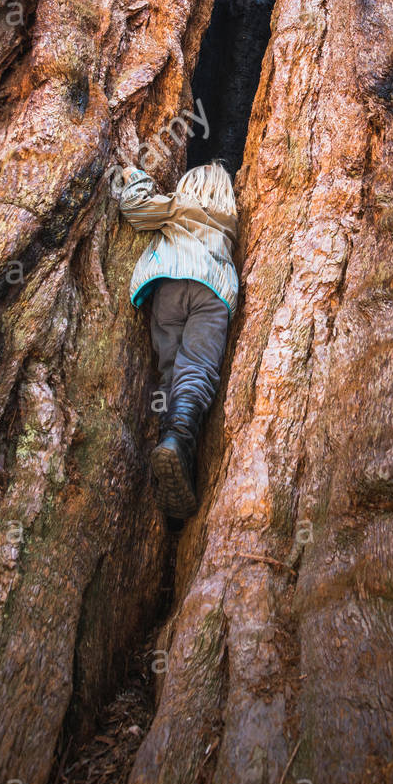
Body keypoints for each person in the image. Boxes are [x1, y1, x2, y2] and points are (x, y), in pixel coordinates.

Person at [114, 160, 238, 519]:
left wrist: (133, 176)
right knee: (197, 368)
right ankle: (178, 443)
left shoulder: (179, 205)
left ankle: (170, 444)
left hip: (169, 290)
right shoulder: (229, 224)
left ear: (190, 186)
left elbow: (135, 209)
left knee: (169, 372)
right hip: (212, 292)